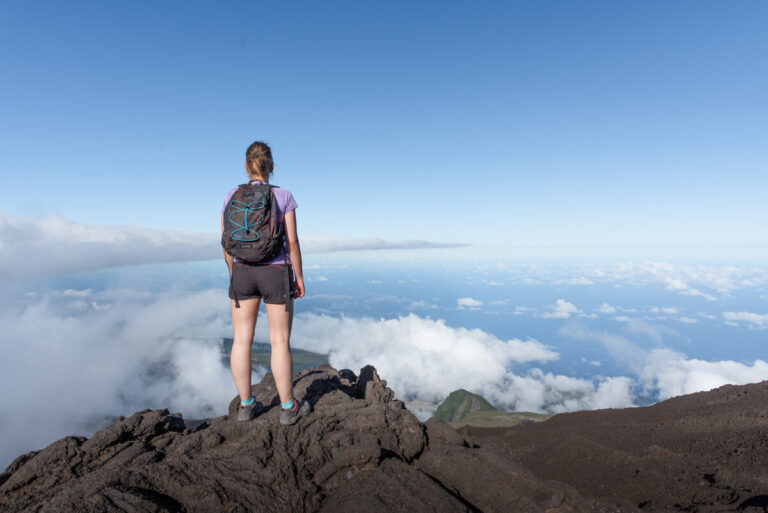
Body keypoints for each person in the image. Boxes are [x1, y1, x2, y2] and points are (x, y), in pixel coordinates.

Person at [221, 141, 310, 425]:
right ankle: (288, 408)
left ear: (246, 166)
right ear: (271, 165)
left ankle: (246, 406)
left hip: (242, 273)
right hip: (275, 273)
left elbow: (226, 241)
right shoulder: (283, 195)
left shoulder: (231, 195)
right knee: (279, 341)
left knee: (240, 341)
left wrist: (234, 271)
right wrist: (298, 277)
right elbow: (292, 242)